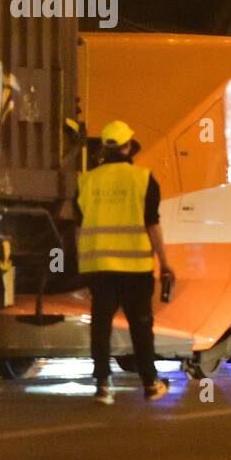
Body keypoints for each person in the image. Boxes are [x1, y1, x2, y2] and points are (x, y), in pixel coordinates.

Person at [76, 120, 175, 403]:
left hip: (100, 268)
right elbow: (152, 225)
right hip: (135, 269)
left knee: (101, 326)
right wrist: (165, 262)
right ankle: (150, 383)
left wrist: (82, 264)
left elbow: (79, 229)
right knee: (141, 326)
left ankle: (103, 386)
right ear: (128, 146)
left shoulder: (87, 181)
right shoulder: (143, 179)